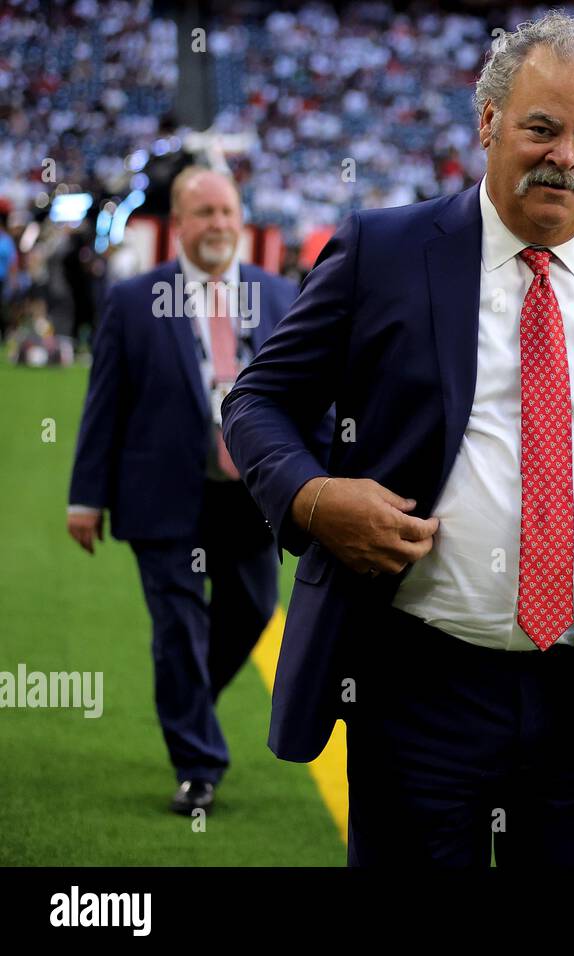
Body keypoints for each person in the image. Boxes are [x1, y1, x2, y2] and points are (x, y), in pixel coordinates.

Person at [220, 12, 574, 868]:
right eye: (542, 129)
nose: (565, 156)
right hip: (416, 683)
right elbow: (258, 400)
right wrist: (312, 496)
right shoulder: (387, 252)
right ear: (488, 122)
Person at [66, 167, 318, 814]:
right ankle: (198, 766)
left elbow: (308, 398)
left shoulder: (279, 295)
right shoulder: (131, 300)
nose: (217, 225)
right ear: (178, 222)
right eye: (203, 213)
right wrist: (84, 498)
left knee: (255, 610)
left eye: (227, 212)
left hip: (250, 499)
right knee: (177, 625)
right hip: (162, 494)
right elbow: (105, 406)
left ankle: (186, 698)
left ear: (243, 218)